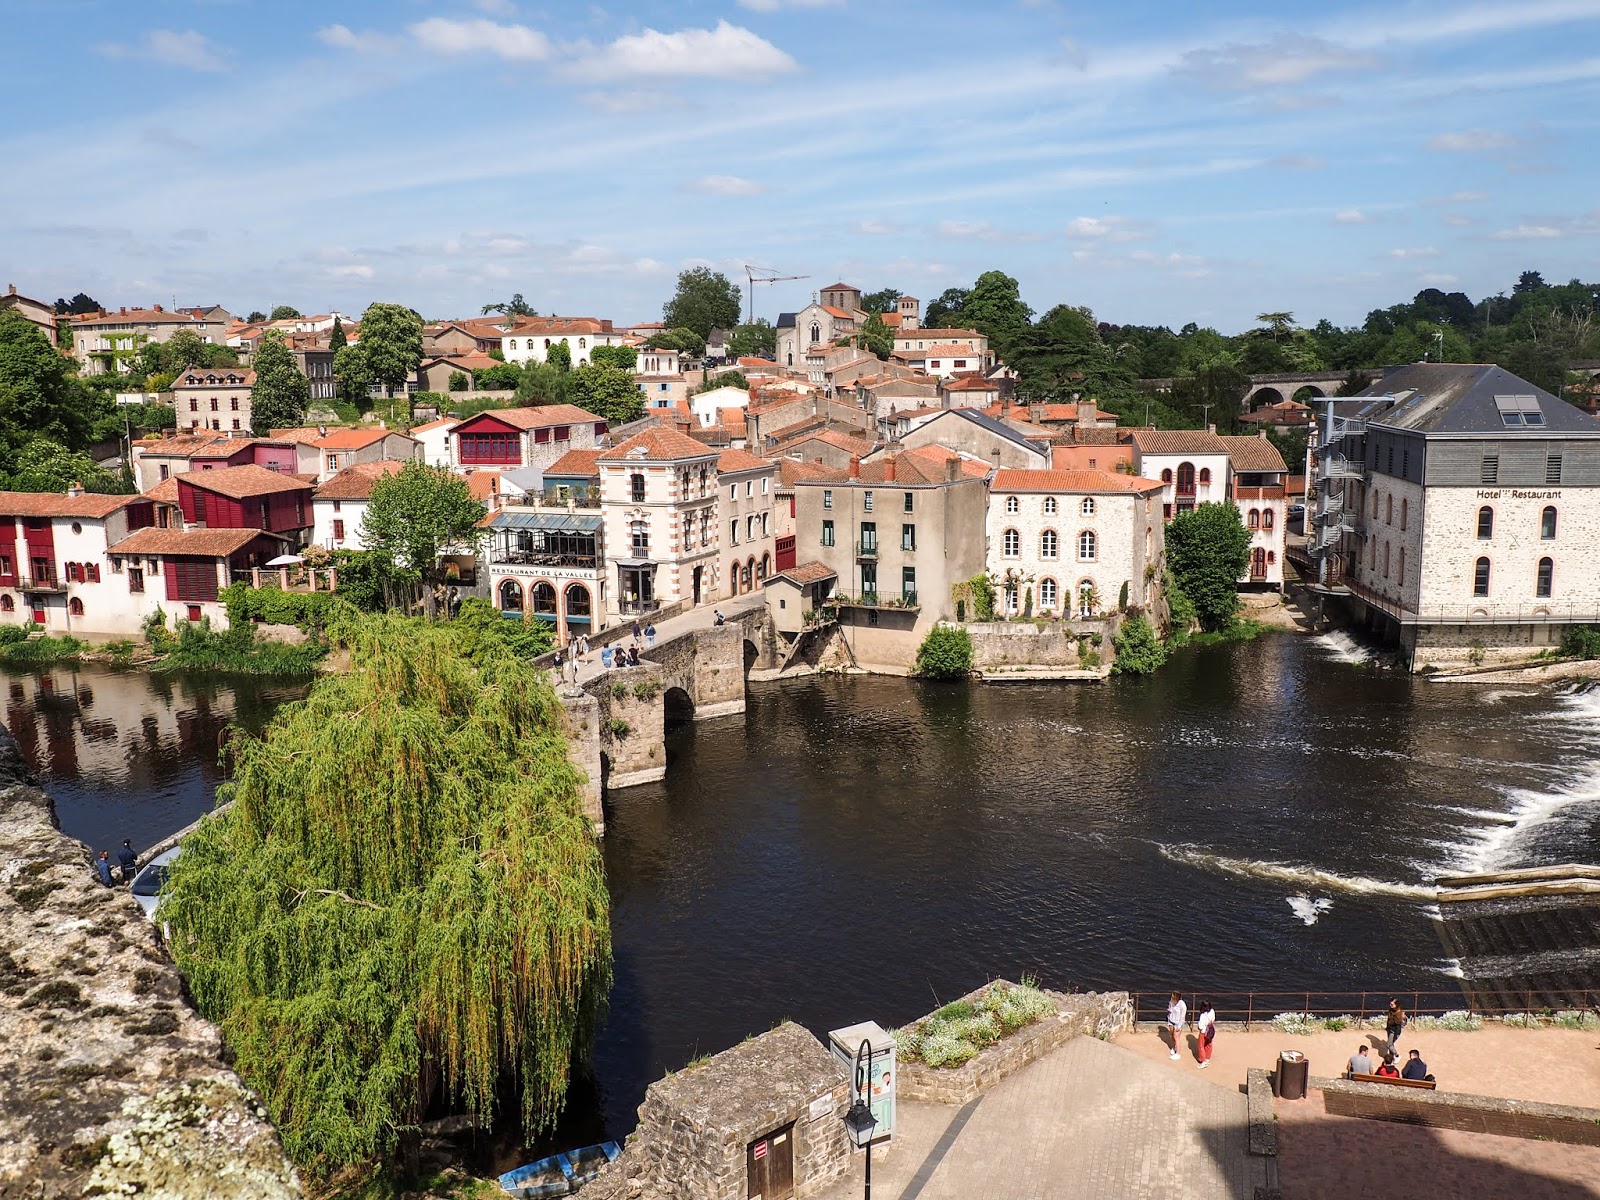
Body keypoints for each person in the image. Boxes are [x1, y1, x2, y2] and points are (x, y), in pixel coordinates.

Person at [1195, 999, 1216, 1068]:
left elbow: (1201, 1026)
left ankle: (1203, 1061)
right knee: (1209, 1044)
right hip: (1210, 1031)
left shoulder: (1202, 1015)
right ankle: (1207, 1058)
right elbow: (1213, 1019)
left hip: (1203, 1032)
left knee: (1201, 1046)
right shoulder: (1212, 1011)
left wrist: (1199, 1028)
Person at [1166, 991, 1187, 1060]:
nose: (1171, 997)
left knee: (1176, 1037)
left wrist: (1179, 1026)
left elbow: (1182, 1016)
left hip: (1178, 1023)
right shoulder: (1171, 1002)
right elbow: (1170, 1009)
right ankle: (1174, 1047)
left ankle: (1178, 1054)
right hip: (1171, 1020)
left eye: (1173, 996)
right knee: (1172, 1035)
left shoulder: (1182, 1005)